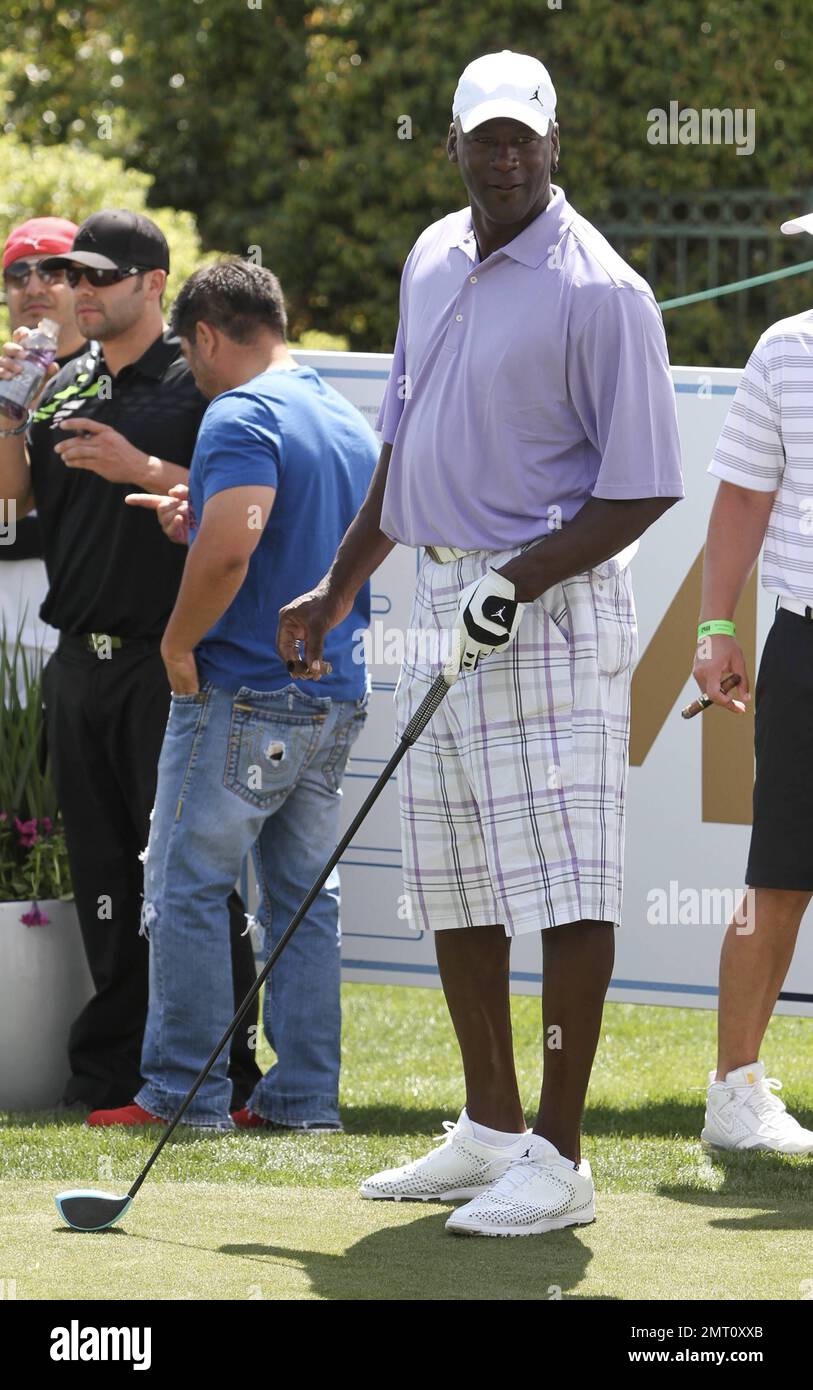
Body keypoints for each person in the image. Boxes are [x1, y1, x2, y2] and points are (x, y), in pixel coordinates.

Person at [279, 50, 684, 1235]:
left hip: (547, 611)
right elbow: (403, 451)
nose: (505, 157)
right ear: (450, 144)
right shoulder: (429, 256)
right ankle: (491, 1124)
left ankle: (560, 1154)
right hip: (443, 605)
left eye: (525, 139)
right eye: (484, 138)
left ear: (557, 146)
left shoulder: (603, 289)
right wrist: (335, 582)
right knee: (455, 876)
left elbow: (643, 485)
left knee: (565, 881)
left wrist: (518, 580)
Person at [86, 260, 377, 1132]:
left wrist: (177, 643)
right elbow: (273, 529)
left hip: (243, 689)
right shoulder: (338, 414)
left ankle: (184, 1095)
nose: (192, 370)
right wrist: (201, 512)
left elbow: (228, 557)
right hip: (331, 692)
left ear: (206, 334)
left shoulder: (241, 413)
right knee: (301, 899)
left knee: (183, 886)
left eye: (188, 351)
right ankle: (302, 1097)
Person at [0, 210, 260, 1112]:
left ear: (154, 284)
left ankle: (224, 1072)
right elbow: (10, 491)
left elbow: (244, 508)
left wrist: (136, 464)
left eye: (97, 278)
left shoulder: (201, 382)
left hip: (171, 661)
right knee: (107, 873)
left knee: (189, 873)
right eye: (72, 278)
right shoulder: (63, 384)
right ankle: (112, 1069)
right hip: (79, 661)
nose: (78, 293)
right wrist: (9, 407)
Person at [691, 207, 813, 1156]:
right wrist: (716, 624)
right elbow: (739, 499)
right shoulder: (785, 349)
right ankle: (734, 1095)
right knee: (775, 876)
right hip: (806, 639)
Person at [0, 217, 84, 670]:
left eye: (51, 270)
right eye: (18, 275)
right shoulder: (3, 376)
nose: (33, 285)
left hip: (75, 631)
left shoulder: (112, 379)